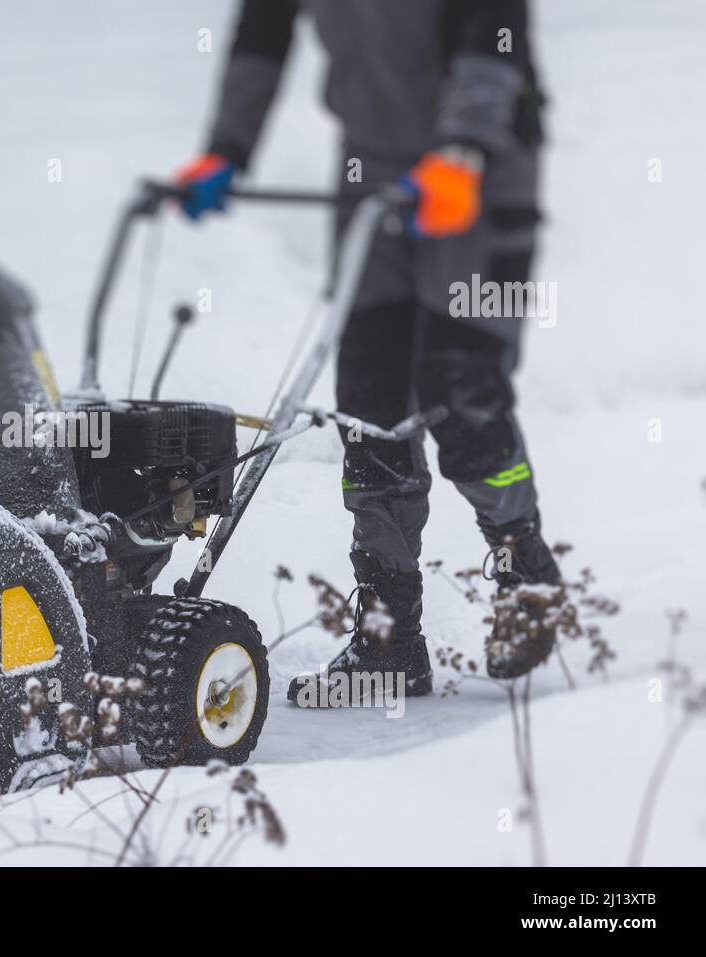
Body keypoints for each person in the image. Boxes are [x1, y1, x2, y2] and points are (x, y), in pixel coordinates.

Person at [176, 0, 561, 702]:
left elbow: (494, 27)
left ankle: (525, 578)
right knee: (369, 401)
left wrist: (466, 144)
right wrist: (227, 146)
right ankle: (389, 639)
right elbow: (263, 29)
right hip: (371, 169)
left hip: (479, 171)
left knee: (460, 389)